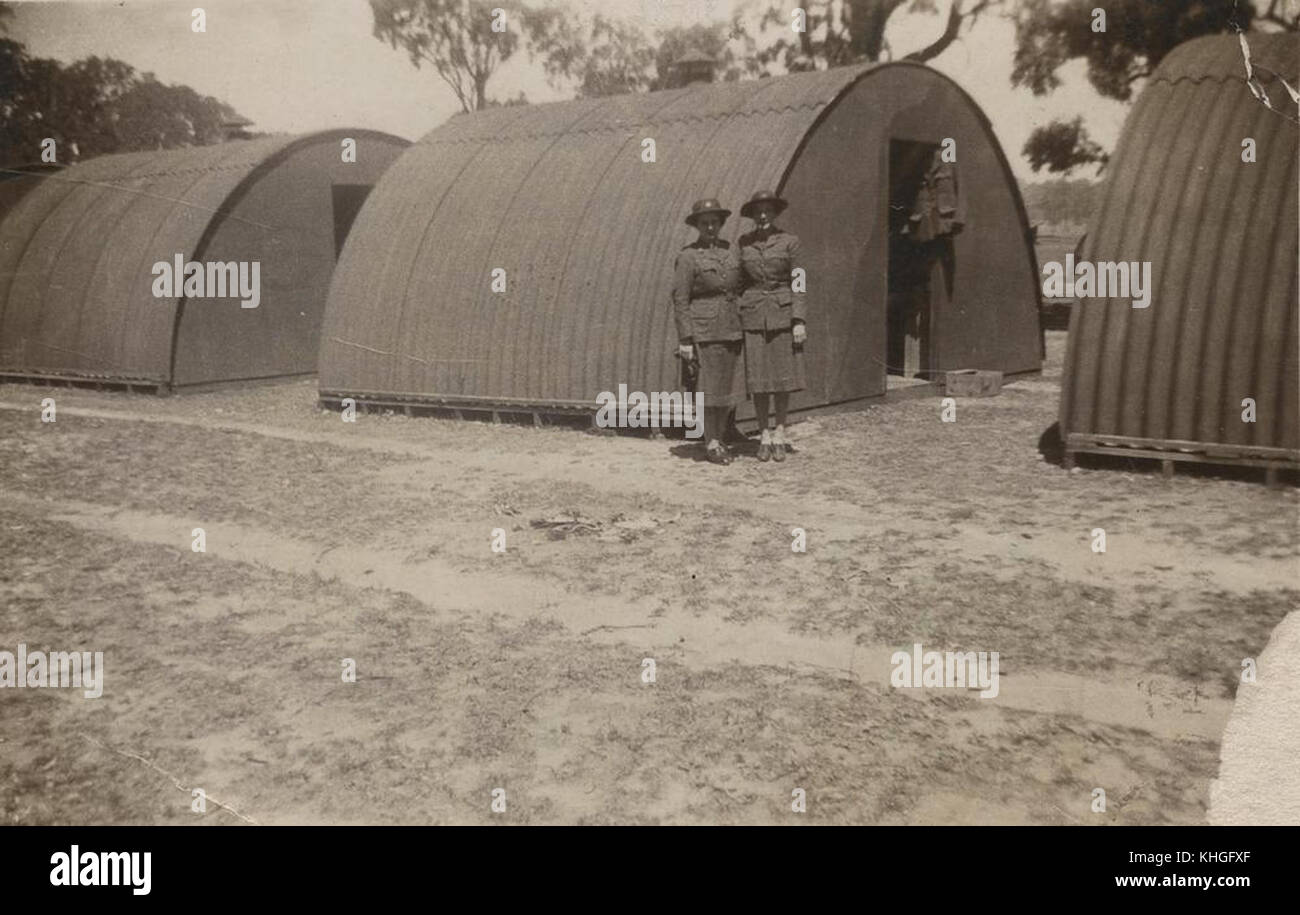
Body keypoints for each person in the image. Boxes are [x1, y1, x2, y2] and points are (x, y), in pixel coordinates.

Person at [672, 198, 744, 464]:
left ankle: (721, 434)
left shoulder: (730, 252)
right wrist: (686, 338)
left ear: (721, 223)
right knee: (707, 389)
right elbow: (680, 299)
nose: (710, 227)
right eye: (705, 223)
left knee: (728, 387)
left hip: (732, 328)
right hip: (704, 331)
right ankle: (711, 440)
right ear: (697, 226)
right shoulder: (688, 256)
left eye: (715, 222)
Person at [736, 190, 806, 462]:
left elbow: (798, 282)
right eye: (757, 211)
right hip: (753, 317)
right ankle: (763, 434)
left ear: (775, 213)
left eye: (767, 210)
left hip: (782, 315)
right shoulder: (744, 243)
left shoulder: (790, 242)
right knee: (759, 380)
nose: (762, 215)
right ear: (752, 216)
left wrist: (798, 319)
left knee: (782, 379)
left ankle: (779, 432)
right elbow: (738, 281)